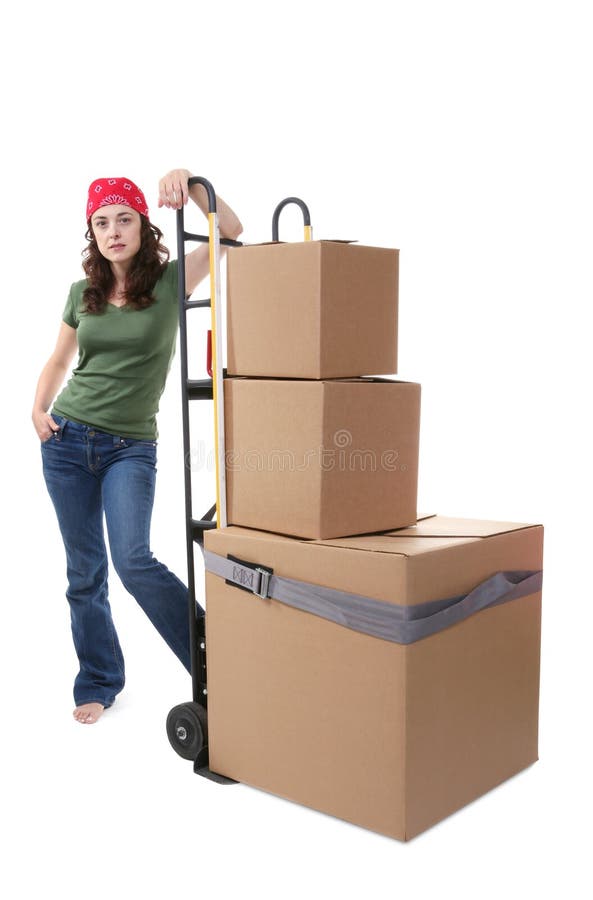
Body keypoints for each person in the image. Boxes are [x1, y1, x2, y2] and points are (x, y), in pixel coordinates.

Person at [32, 169, 243, 725]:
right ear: (92, 234)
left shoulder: (173, 282)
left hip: (130, 448)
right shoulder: (84, 293)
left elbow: (231, 230)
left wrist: (192, 182)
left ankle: (216, 661)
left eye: (123, 218)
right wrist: (37, 411)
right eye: (101, 222)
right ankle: (99, 678)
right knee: (85, 570)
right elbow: (59, 361)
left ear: (142, 226)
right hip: (67, 442)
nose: (112, 230)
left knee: (133, 560)